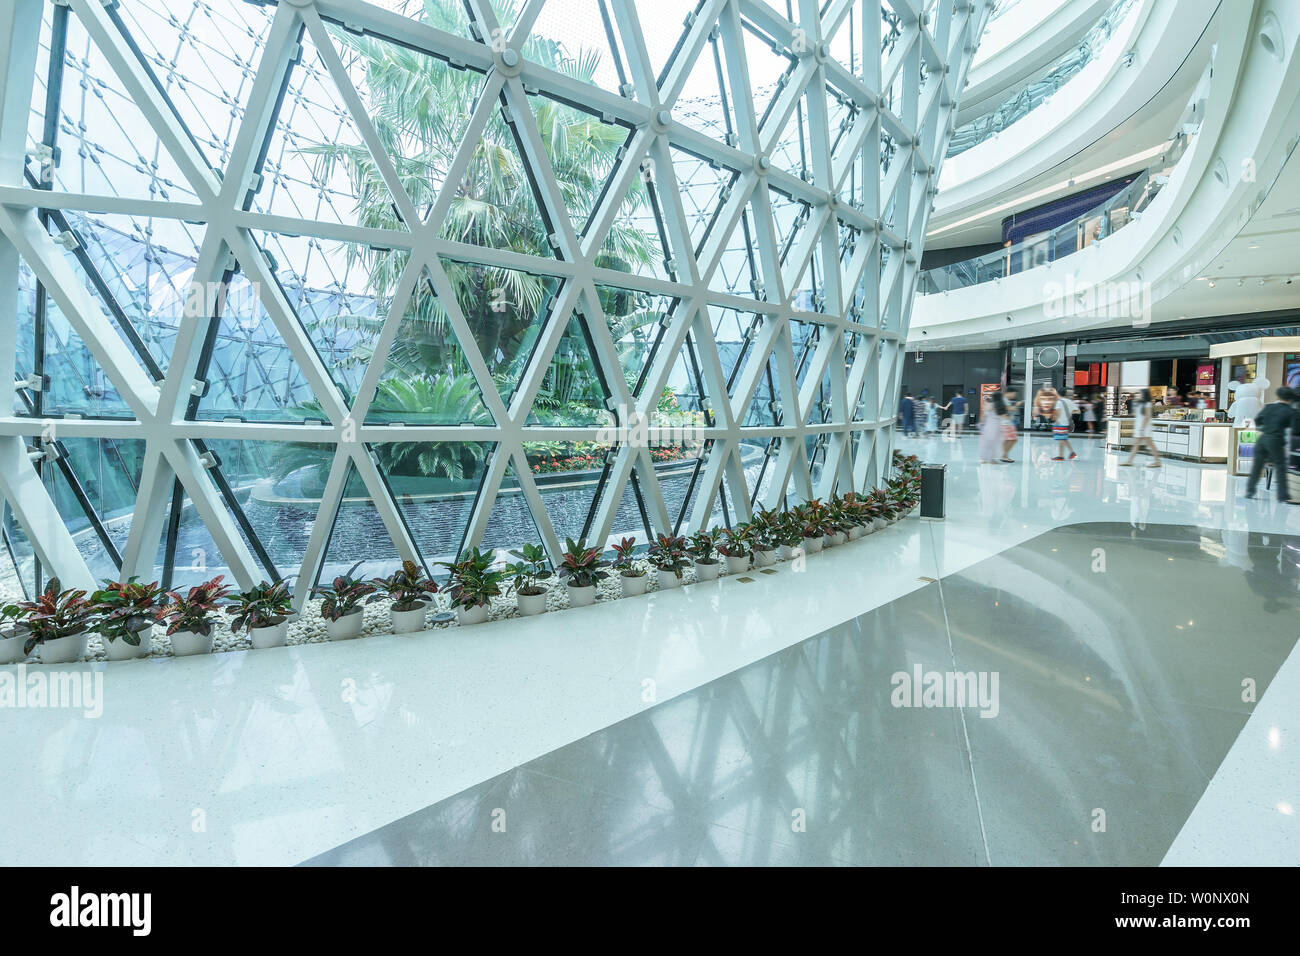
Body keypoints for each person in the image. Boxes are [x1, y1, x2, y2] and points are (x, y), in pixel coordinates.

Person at [1245, 386, 1298, 502]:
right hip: (1275, 440)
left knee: (1257, 467)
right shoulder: (1290, 411)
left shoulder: (1270, 407)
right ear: (1290, 399)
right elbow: (1296, 429)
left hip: (1262, 439)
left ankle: (1250, 491)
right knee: (1280, 467)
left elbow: (1258, 420)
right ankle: (1283, 496)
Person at [1120, 388, 1161, 468]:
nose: (1139, 395)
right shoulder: (1140, 403)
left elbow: (1147, 416)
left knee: (1150, 445)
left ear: (1144, 394)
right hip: (1140, 426)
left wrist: (1142, 428)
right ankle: (1129, 461)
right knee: (1137, 444)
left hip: (1144, 427)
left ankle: (1157, 461)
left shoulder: (1148, 404)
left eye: (1140, 393)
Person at [1049, 393, 1078, 461]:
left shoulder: (1059, 402)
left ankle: (1066, 454)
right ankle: (1064, 455)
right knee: (1063, 439)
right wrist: (1069, 413)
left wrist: (1055, 421)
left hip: (1060, 423)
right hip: (1066, 423)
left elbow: (1057, 413)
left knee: (1062, 439)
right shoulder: (1070, 401)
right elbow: (1078, 411)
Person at [978, 394, 1004, 463]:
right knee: (993, 442)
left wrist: (981, 424)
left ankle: (986, 458)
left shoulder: (990, 405)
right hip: (994, 424)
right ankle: (990, 458)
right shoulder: (997, 405)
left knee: (988, 441)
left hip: (990, 424)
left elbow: (983, 416)